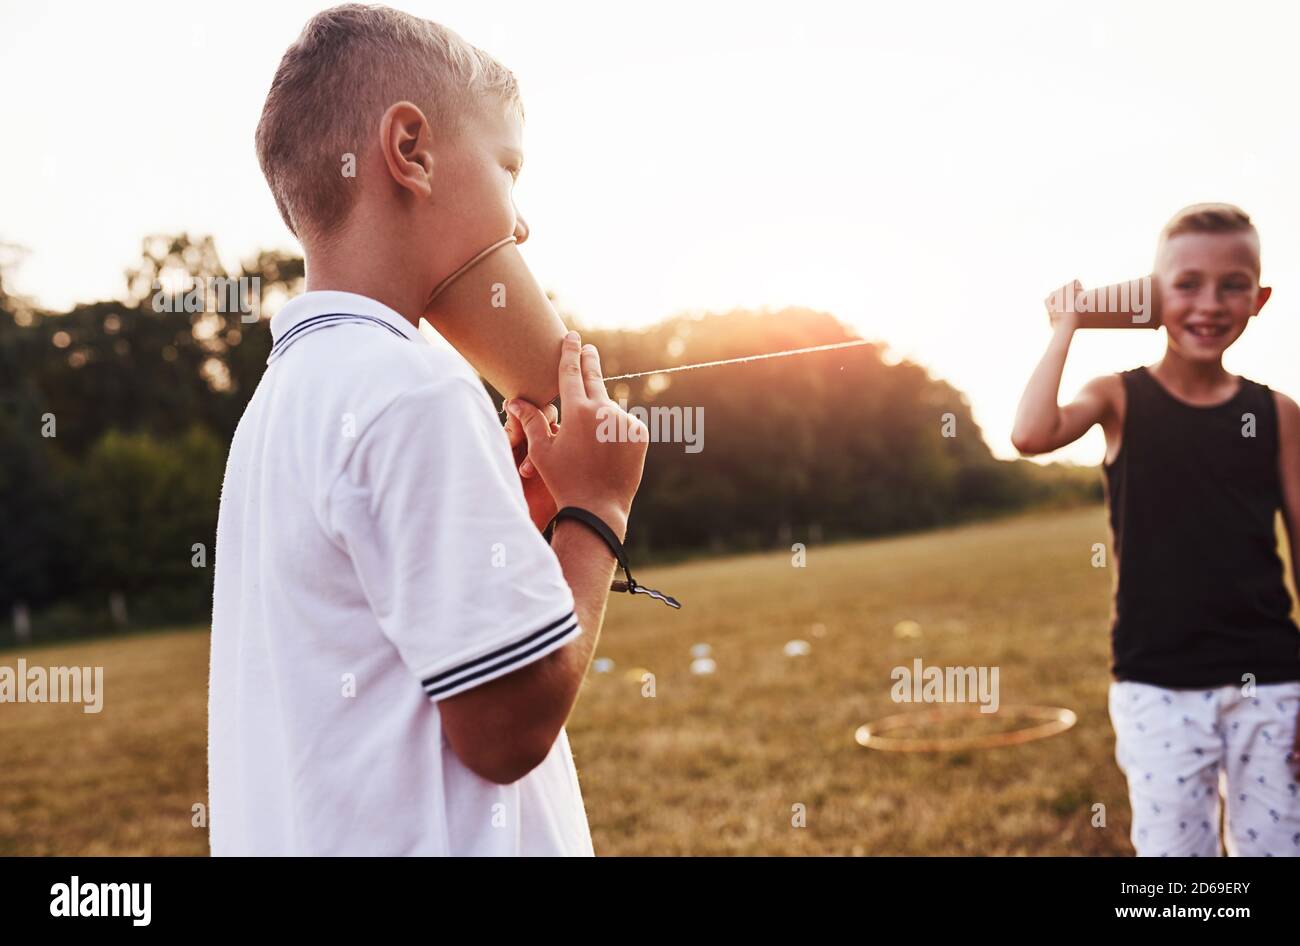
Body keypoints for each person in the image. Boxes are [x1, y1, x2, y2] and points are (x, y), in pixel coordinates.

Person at [208, 4, 648, 855]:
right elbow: (506, 730)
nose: (520, 222)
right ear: (410, 150)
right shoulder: (414, 388)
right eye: (508, 168)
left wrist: (519, 530)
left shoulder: (284, 398)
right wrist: (596, 512)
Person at [1011, 202, 1300, 856]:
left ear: (1260, 298)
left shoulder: (1277, 413)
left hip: (1273, 683)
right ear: (1151, 294)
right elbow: (1031, 434)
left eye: (1233, 285)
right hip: (1157, 683)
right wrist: (1069, 325)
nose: (1210, 303)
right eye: (1187, 283)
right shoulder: (1118, 397)